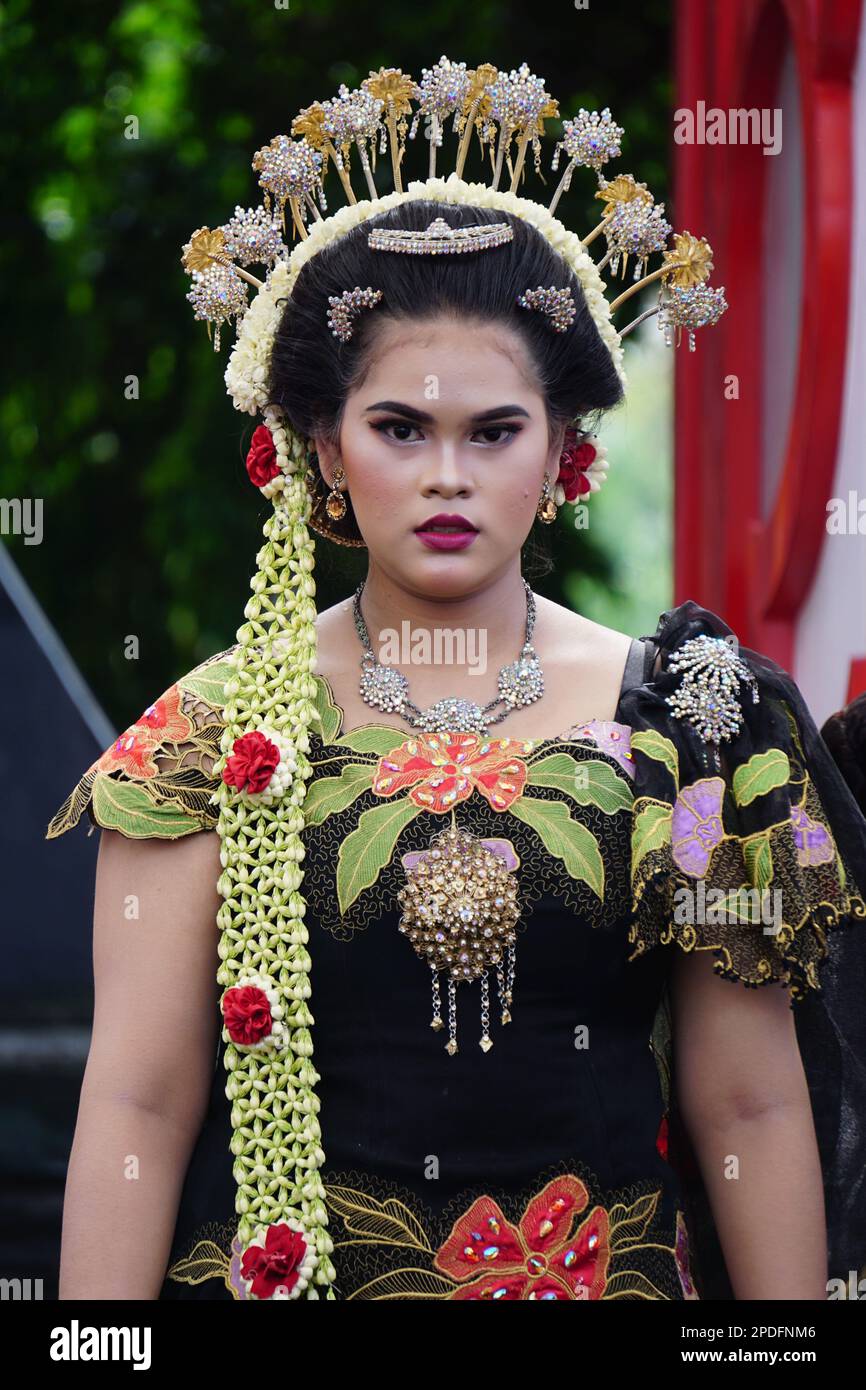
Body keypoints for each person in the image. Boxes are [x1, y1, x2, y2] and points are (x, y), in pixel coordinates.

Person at [46, 58, 866, 1301]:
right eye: (398, 430)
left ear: (562, 452)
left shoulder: (694, 724)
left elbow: (747, 1107)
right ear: (322, 445)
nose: (446, 476)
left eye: (491, 432)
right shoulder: (207, 733)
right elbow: (137, 1103)